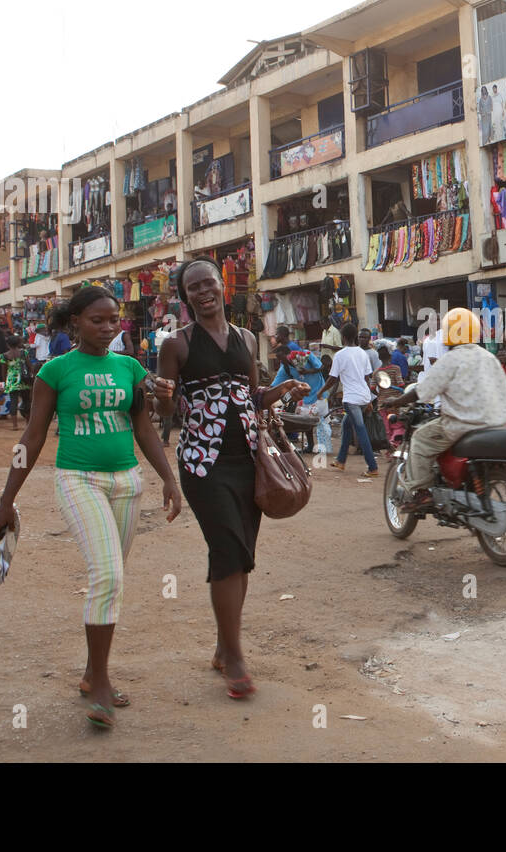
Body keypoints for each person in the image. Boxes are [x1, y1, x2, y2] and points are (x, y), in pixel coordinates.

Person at [0, 285, 183, 730]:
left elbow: (145, 426)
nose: (108, 327)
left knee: (110, 581)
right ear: (75, 322)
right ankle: (100, 682)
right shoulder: (54, 372)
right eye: (97, 320)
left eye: (114, 319)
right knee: (109, 574)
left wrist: (169, 478)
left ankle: (90, 672)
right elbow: (33, 438)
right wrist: (7, 498)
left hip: (126, 483)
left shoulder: (130, 368)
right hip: (77, 480)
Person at [156, 259, 309, 700]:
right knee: (226, 549)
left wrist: (279, 392)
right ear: (185, 298)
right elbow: (166, 414)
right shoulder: (177, 345)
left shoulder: (245, 337)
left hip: (248, 459)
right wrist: (164, 399)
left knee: (242, 554)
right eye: (193, 288)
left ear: (222, 286)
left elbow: (252, 394)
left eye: (208, 283)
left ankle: (225, 646)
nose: (203, 292)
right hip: (203, 464)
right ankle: (236, 657)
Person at [382, 308, 506, 512]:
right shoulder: (489, 357)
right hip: (497, 423)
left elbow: (422, 391)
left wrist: (396, 401)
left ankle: (422, 492)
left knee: (420, 438)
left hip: (462, 425)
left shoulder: (451, 359)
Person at [322, 323, 379, 478]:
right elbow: (367, 378)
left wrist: (321, 392)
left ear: (343, 337)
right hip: (363, 396)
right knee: (347, 425)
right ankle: (341, 460)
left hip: (352, 399)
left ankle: (372, 467)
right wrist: (368, 400)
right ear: (355, 337)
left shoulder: (340, 355)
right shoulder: (363, 353)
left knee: (361, 431)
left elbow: (332, 379)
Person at [3, 335, 31, 430]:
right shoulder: (24, 353)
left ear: (8, 344)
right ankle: (27, 424)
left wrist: (5, 382)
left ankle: (15, 425)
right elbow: (29, 366)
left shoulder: (4, 356)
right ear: (18, 343)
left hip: (12, 381)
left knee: (13, 402)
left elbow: (4, 370)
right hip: (24, 379)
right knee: (27, 401)